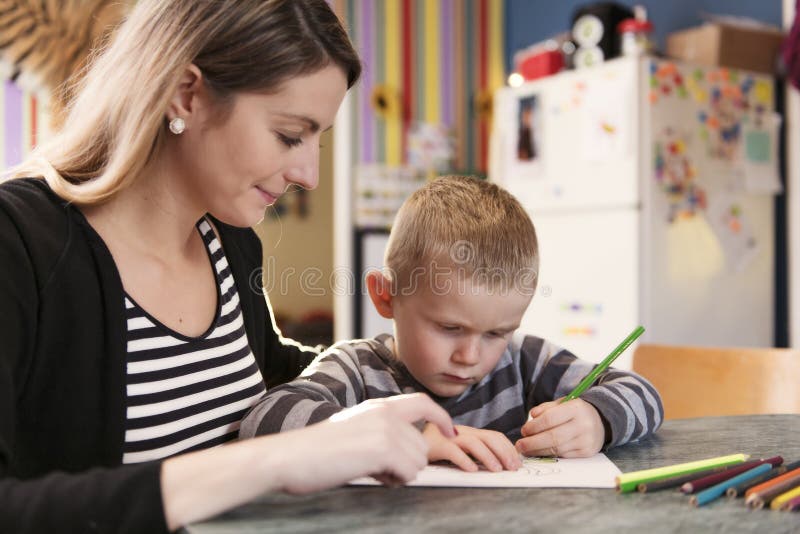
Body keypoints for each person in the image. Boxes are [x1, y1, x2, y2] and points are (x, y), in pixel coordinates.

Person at [0, 1, 457, 532]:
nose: (308, 174)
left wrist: (424, 395)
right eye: (290, 134)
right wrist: (281, 460)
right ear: (187, 93)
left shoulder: (229, 239)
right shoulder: (19, 245)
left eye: (318, 139)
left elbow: (272, 373)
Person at [241, 176, 663, 472]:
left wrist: (596, 419)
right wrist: (413, 437)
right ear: (386, 295)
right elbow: (265, 421)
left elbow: (644, 393)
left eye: (496, 332)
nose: (470, 356)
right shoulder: (358, 369)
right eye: (450, 328)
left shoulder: (523, 361)